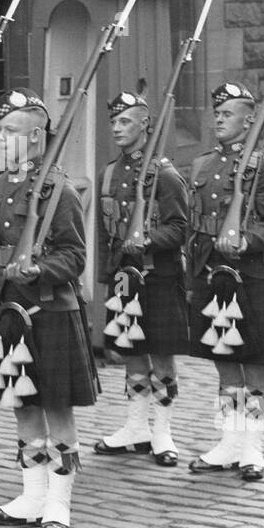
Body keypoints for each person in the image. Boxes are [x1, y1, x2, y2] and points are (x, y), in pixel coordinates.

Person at [0, 89, 98, 528]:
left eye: (9, 131)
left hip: (50, 310)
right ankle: (32, 495)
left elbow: (75, 256)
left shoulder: (59, 190)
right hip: (10, 310)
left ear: (34, 137)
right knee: (22, 404)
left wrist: (40, 268)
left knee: (56, 406)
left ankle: (58, 502)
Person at [185, 83, 264, 481]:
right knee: (224, 360)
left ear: (249, 120)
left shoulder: (261, 168)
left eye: (228, 114)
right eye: (217, 113)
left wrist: (247, 241)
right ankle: (230, 442)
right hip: (212, 273)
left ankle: (253, 447)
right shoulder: (201, 166)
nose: (219, 119)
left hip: (250, 274)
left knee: (254, 363)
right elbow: (194, 225)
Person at [93, 90, 191, 467]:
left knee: (162, 355)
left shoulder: (164, 175)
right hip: (124, 277)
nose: (117, 128)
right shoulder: (109, 174)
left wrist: (148, 240)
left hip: (159, 275)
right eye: (113, 122)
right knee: (131, 352)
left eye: (125, 121)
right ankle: (136, 427)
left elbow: (180, 228)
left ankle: (163, 431)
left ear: (145, 125)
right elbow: (104, 232)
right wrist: (106, 275)